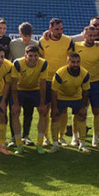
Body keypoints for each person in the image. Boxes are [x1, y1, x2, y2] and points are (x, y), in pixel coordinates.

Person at [38, 18, 74, 146]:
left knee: (62, 109)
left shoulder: (68, 41)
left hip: (62, 80)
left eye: (61, 29)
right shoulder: (43, 41)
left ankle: (61, 136)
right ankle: (46, 137)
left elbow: (71, 60)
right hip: (47, 80)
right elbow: (40, 60)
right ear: (50, 29)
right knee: (46, 110)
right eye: (57, 29)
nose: (60, 31)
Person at [74, 25, 99, 147]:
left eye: (94, 36)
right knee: (78, 110)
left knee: (96, 110)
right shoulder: (76, 46)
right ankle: (75, 136)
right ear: (84, 35)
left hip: (95, 83)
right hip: (79, 83)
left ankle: (95, 137)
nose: (92, 38)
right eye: (89, 35)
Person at [11, 45, 48, 154]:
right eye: (30, 56)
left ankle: (40, 144)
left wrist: (42, 104)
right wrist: (16, 103)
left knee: (43, 112)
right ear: (25, 56)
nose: (33, 58)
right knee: (15, 113)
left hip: (35, 90)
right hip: (20, 90)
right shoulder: (17, 63)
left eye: (36, 56)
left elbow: (43, 84)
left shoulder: (43, 63)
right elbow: (13, 84)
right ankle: (19, 144)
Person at [50, 53, 90, 153]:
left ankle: (82, 144)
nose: (75, 64)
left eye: (77, 62)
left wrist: (84, 107)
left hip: (76, 97)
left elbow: (85, 92)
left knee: (82, 116)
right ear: (67, 62)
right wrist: (54, 108)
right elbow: (54, 91)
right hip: (61, 97)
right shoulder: (60, 73)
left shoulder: (85, 73)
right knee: (55, 117)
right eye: (73, 62)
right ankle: (55, 144)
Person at [9, 22, 38, 145]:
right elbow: (9, 60)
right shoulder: (13, 44)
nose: (27, 39)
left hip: (30, 84)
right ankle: (14, 137)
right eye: (25, 36)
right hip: (16, 83)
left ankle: (26, 136)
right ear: (20, 34)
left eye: (29, 36)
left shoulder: (35, 44)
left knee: (28, 112)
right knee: (14, 111)